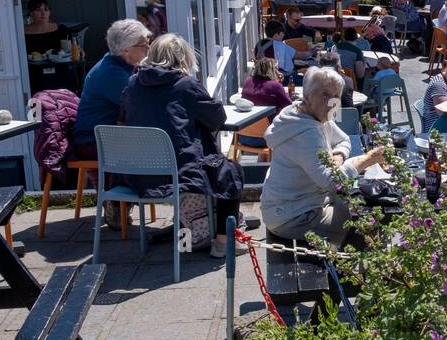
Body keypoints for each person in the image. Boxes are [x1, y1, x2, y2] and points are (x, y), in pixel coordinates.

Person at [119, 33, 249, 258]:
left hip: (139, 175)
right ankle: (223, 242)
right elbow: (217, 119)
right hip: (177, 174)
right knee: (231, 171)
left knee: (214, 167)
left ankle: (195, 231)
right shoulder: (185, 84)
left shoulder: (133, 84)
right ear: (183, 58)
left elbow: (123, 118)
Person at [261, 67, 386, 248]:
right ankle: (349, 273)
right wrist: (366, 160)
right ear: (307, 95)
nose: (330, 102)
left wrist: (338, 155)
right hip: (292, 216)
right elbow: (332, 183)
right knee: (367, 226)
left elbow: (343, 139)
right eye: (324, 95)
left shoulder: (313, 116)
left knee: (364, 208)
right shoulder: (304, 132)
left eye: (335, 96)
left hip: (305, 203)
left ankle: (351, 268)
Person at [71, 19, 153, 162]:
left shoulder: (121, 65)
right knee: (158, 153)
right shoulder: (111, 73)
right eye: (144, 45)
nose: (149, 49)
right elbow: (140, 106)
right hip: (94, 142)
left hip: (109, 138)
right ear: (126, 49)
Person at [239, 57, 293, 149]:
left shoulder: (248, 81)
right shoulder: (274, 85)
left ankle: (262, 160)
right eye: (276, 68)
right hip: (266, 137)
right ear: (271, 70)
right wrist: (279, 83)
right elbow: (289, 106)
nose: (278, 71)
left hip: (243, 135)